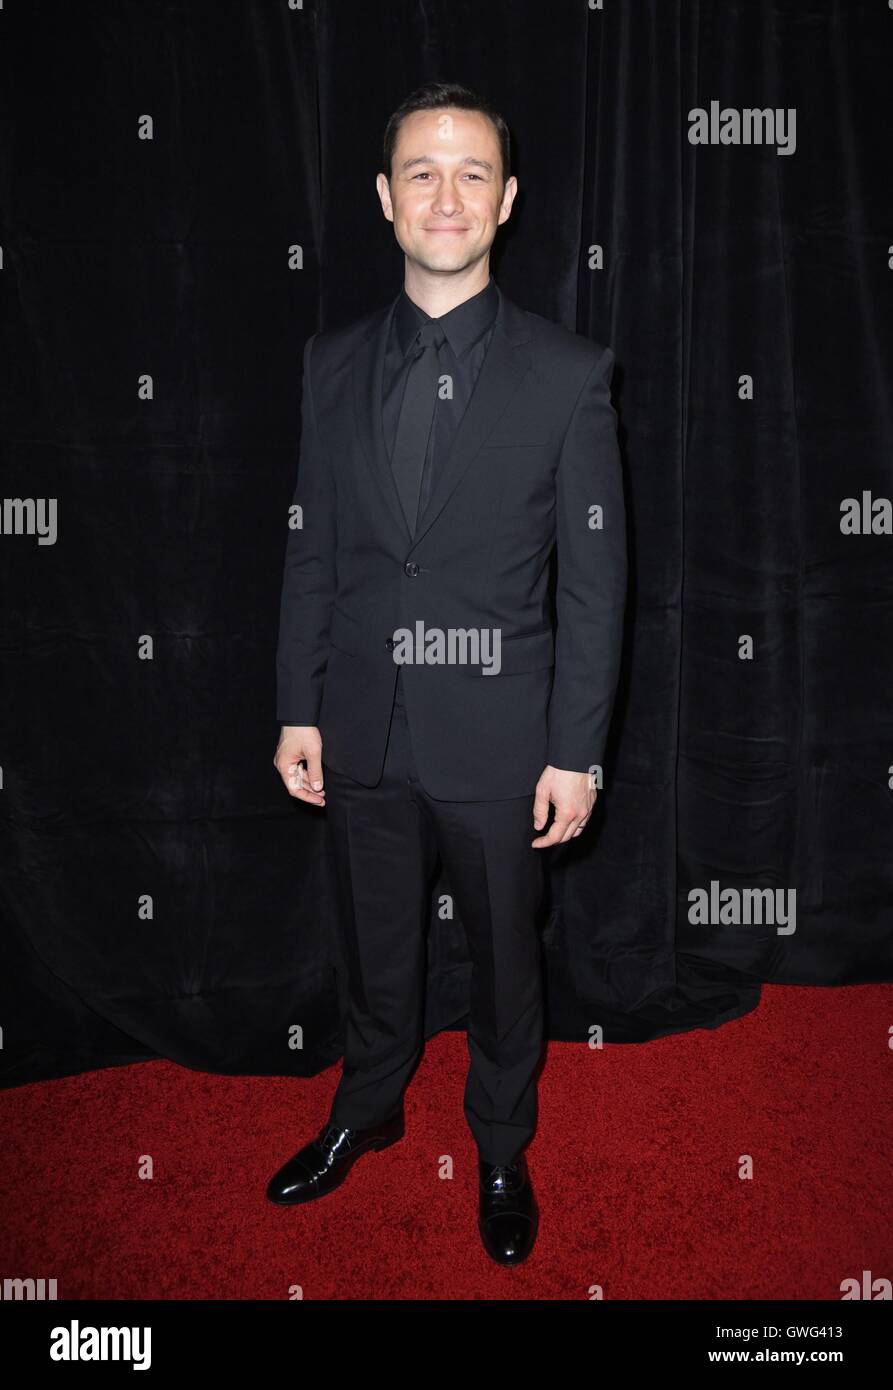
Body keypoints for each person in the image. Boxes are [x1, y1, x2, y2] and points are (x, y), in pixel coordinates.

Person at [268, 81, 627, 1266]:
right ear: (382, 199)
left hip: (501, 741)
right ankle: (366, 1110)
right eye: (419, 170)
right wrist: (295, 707)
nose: (445, 192)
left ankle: (502, 1141)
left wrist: (576, 749)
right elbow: (312, 545)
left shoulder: (569, 374)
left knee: (503, 962)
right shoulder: (327, 364)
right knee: (375, 945)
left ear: (507, 200)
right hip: (360, 726)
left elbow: (591, 584)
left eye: (471, 171)